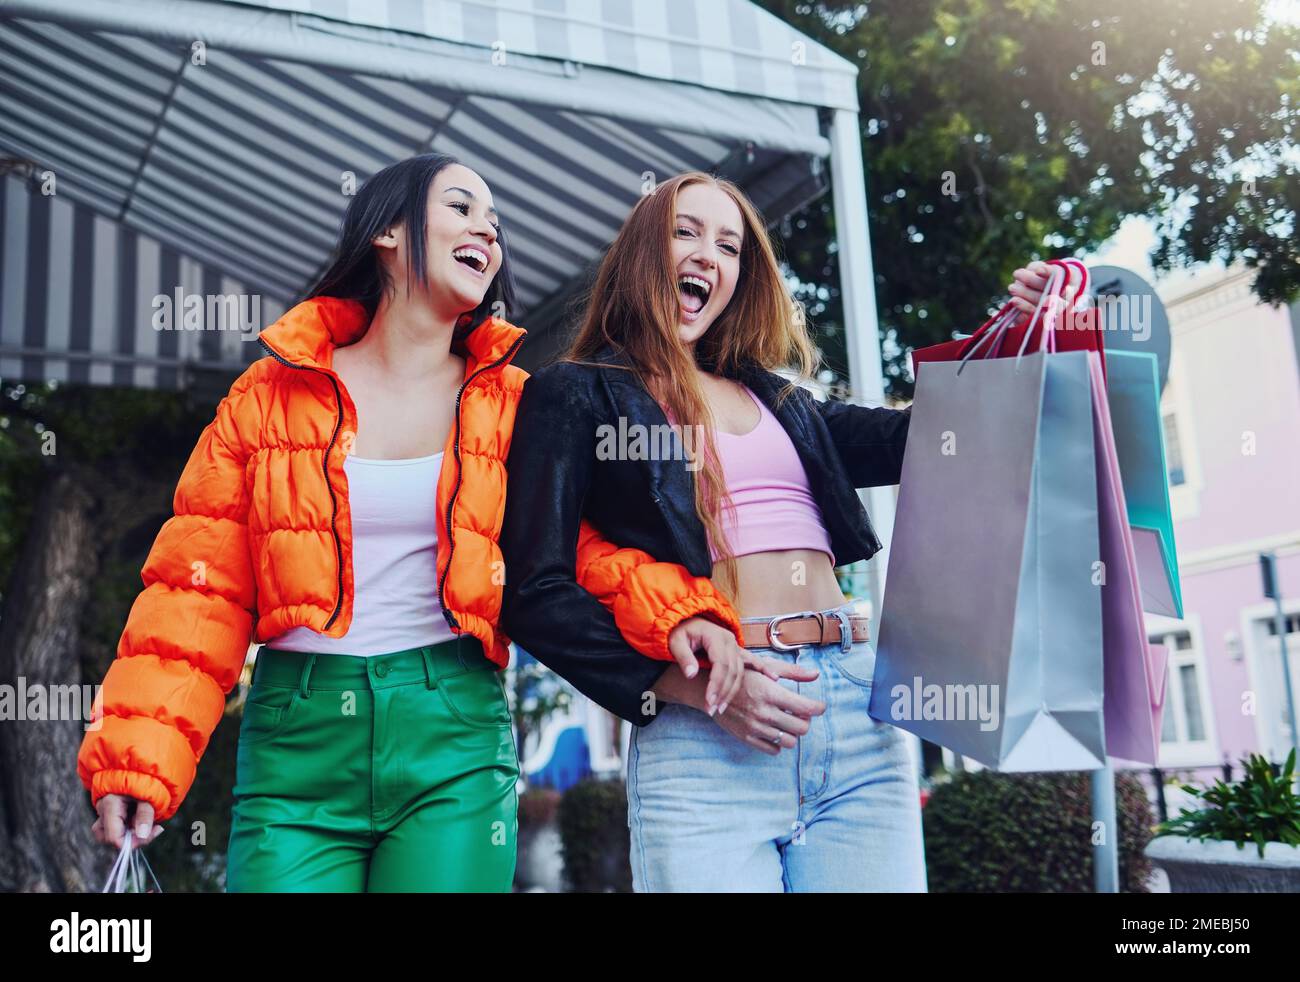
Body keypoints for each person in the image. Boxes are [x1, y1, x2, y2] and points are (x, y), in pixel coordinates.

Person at [78, 155, 748, 892]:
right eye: (462, 208)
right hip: (295, 743)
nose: (486, 232)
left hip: (453, 734)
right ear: (388, 231)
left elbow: (571, 548)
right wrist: (138, 755)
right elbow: (192, 592)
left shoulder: (515, 402)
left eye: (494, 223)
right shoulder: (269, 393)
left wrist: (681, 611)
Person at [499, 171, 1075, 891]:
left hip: (856, 708)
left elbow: (925, 436)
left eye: (730, 245)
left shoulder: (783, 402)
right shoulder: (574, 393)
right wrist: (677, 683)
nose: (709, 254)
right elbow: (532, 588)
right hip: (709, 724)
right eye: (686, 232)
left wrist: (1014, 335)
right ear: (641, 254)